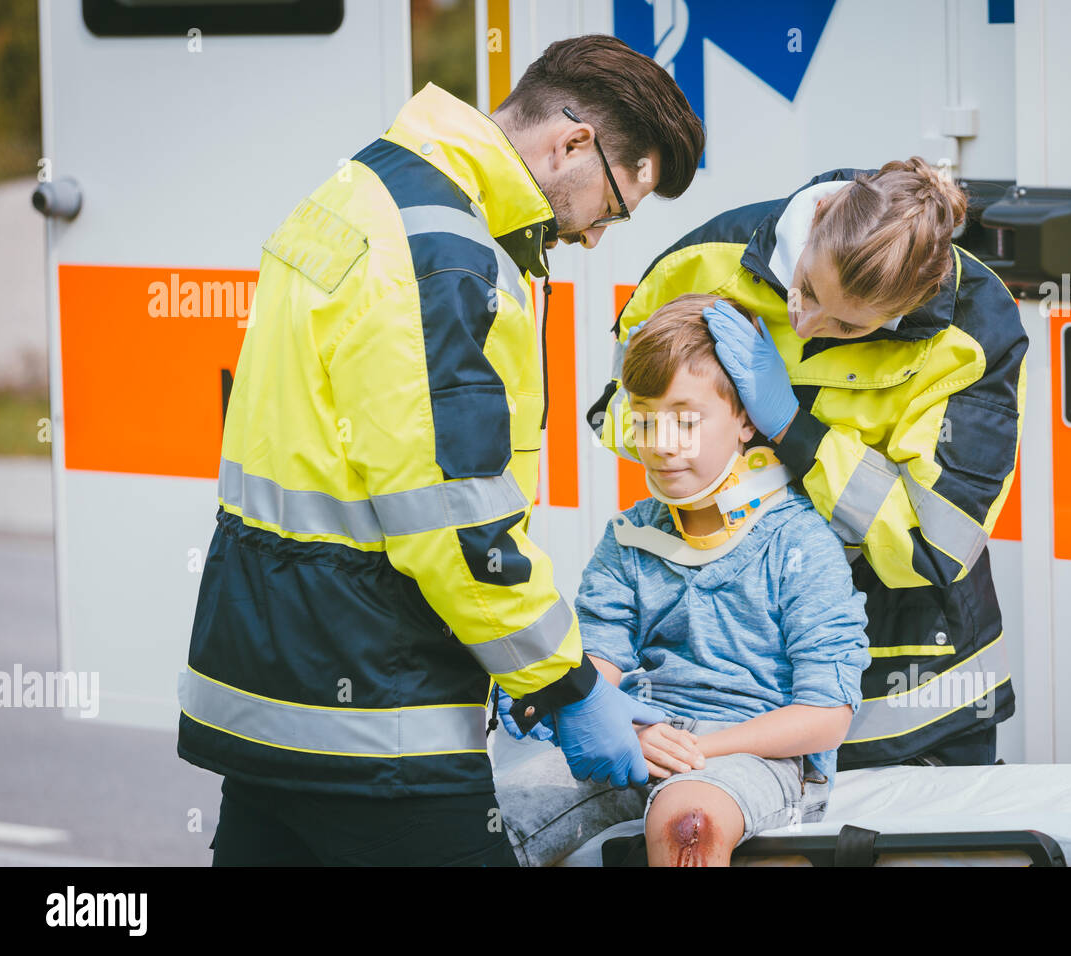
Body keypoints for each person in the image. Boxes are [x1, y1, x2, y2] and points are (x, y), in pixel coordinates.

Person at [176, 34, 704, 866]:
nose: (599, 237)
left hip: (274, 678)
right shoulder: (445, 253)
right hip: (376, 708)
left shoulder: (362, 187)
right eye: (613, 205)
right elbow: (451, 514)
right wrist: (561, 684)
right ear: (572, 142)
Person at [589, 158, 1027, 770]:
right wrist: (711, 432)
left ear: (913, 304)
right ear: (819, 216)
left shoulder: (975, 326)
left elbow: (935, 546)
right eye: (809, 289)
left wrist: (794, 429)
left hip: (913, 685)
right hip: (735, 684)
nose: (807, 322)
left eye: (847, 324)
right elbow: (619, 411)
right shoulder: (703, 261)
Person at [494, 294, 870, 867]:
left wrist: (692, 748)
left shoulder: (799, 543)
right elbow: (600, 660)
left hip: (756, 752)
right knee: (487, 817)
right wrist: (579, 708)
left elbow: (827, 716)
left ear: (745, 418)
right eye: (645, 419)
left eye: (685, 420)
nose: (661, 443)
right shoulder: (629, 538)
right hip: (642, 734)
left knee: (686, 825)